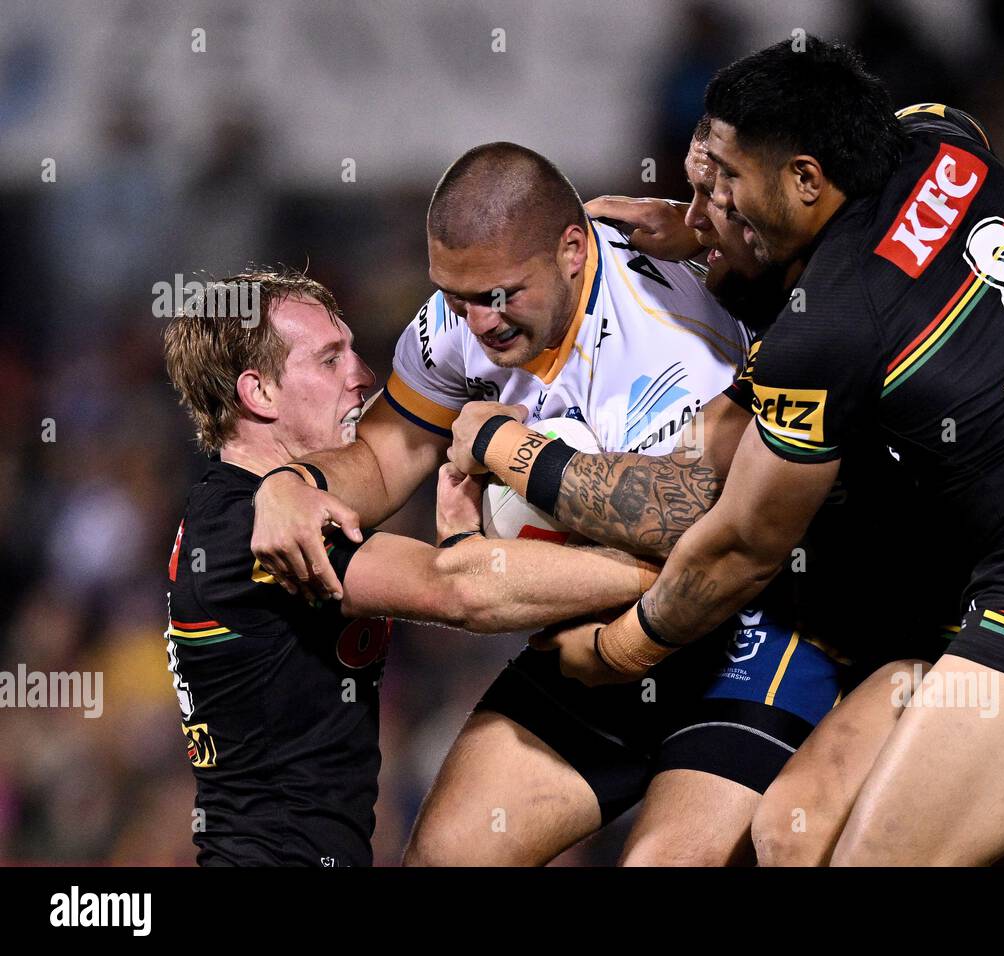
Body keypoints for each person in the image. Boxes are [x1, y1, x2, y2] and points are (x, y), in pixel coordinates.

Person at [458, 38, 1004, 867]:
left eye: (717, 185)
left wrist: (615, 643)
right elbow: (887, 241)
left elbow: (737, 547)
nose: (696, 211)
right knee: (795, 831)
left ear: (807, 179)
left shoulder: (829, 330)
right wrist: (716, 237)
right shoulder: (943, 139)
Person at [249, 143, 851, 867]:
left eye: (499, 294)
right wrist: (290, 486)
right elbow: (382, 456)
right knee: (449, 858)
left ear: (572, 250)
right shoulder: (460, 319)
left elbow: (700, 527)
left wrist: (501, 447)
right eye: (455, 295)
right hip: (599, 638)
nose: (478, 322)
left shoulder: (667, 336)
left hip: (754, 623)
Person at [163, 269, 655, 865]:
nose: (361, 375)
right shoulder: (256, 529)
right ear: (258, 393)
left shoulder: (253, 506)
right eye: (329, 360)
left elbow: (451, 571)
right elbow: (460, 593)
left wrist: (464, 540)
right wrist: (666, 573)